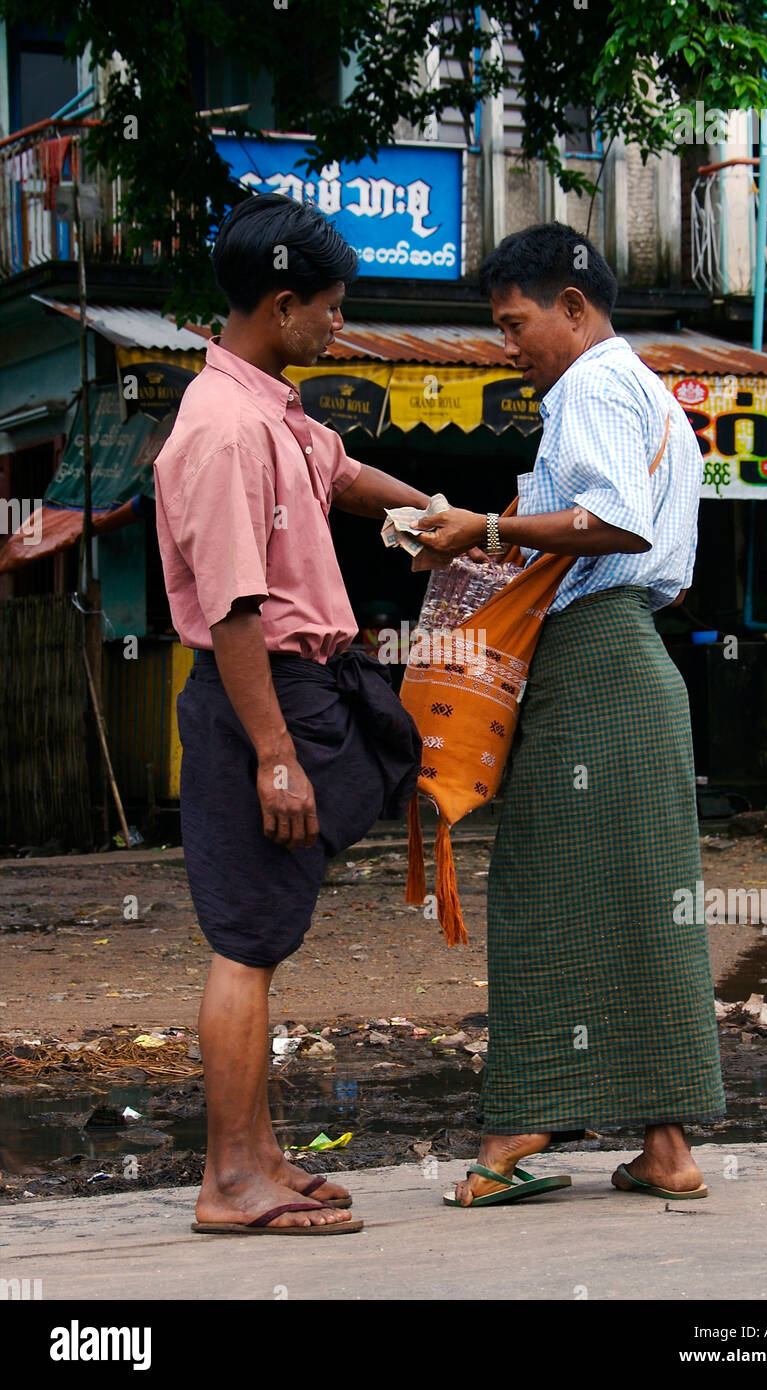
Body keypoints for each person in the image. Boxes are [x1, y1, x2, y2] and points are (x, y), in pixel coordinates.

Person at [415, 222, 725, 1207]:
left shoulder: (589, 382)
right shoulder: (644, 386)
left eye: (515, 324)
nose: (509, 345)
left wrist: (491, 524)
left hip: (595, 666)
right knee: (641, 899)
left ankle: (517, 1133)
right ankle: (666, 1149)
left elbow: (617, 519)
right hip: (633, 662)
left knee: (544, 886)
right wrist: (481, 542)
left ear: (574, 308)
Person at [154, 194, 430, 1235]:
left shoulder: (268, 408)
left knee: (265, 931)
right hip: (253, 701)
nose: (339, 322)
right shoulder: (224, 431)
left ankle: (262, 1152)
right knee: (248, 942)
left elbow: (345, 475)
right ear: (280, 303)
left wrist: (442, 521)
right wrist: (275, 753)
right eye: (330, 305)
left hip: (300, 692)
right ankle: (229, 1183)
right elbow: (232, 609)